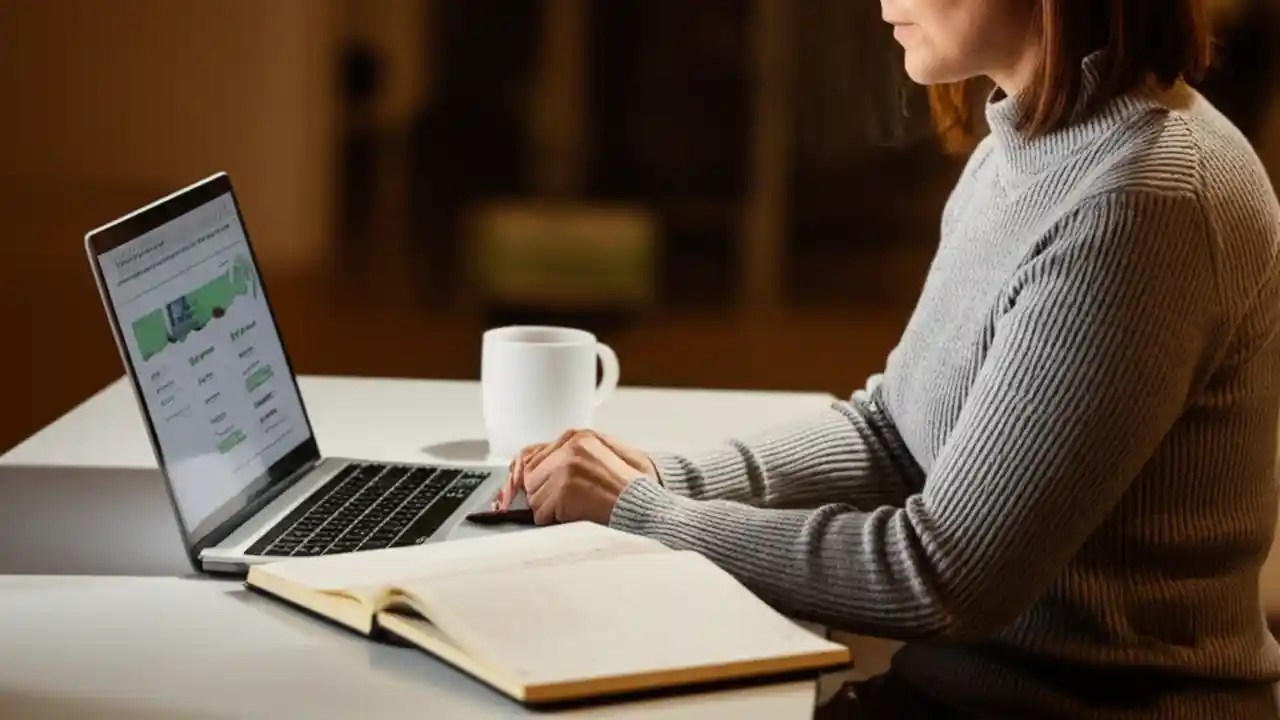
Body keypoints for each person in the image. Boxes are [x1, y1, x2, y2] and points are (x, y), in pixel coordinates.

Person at [494, 0, 1280, 716]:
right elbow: (891, 431)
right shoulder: (1024, 150)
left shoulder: (1144, 202)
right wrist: (665, 478)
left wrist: (643, 512)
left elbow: (940, 578)